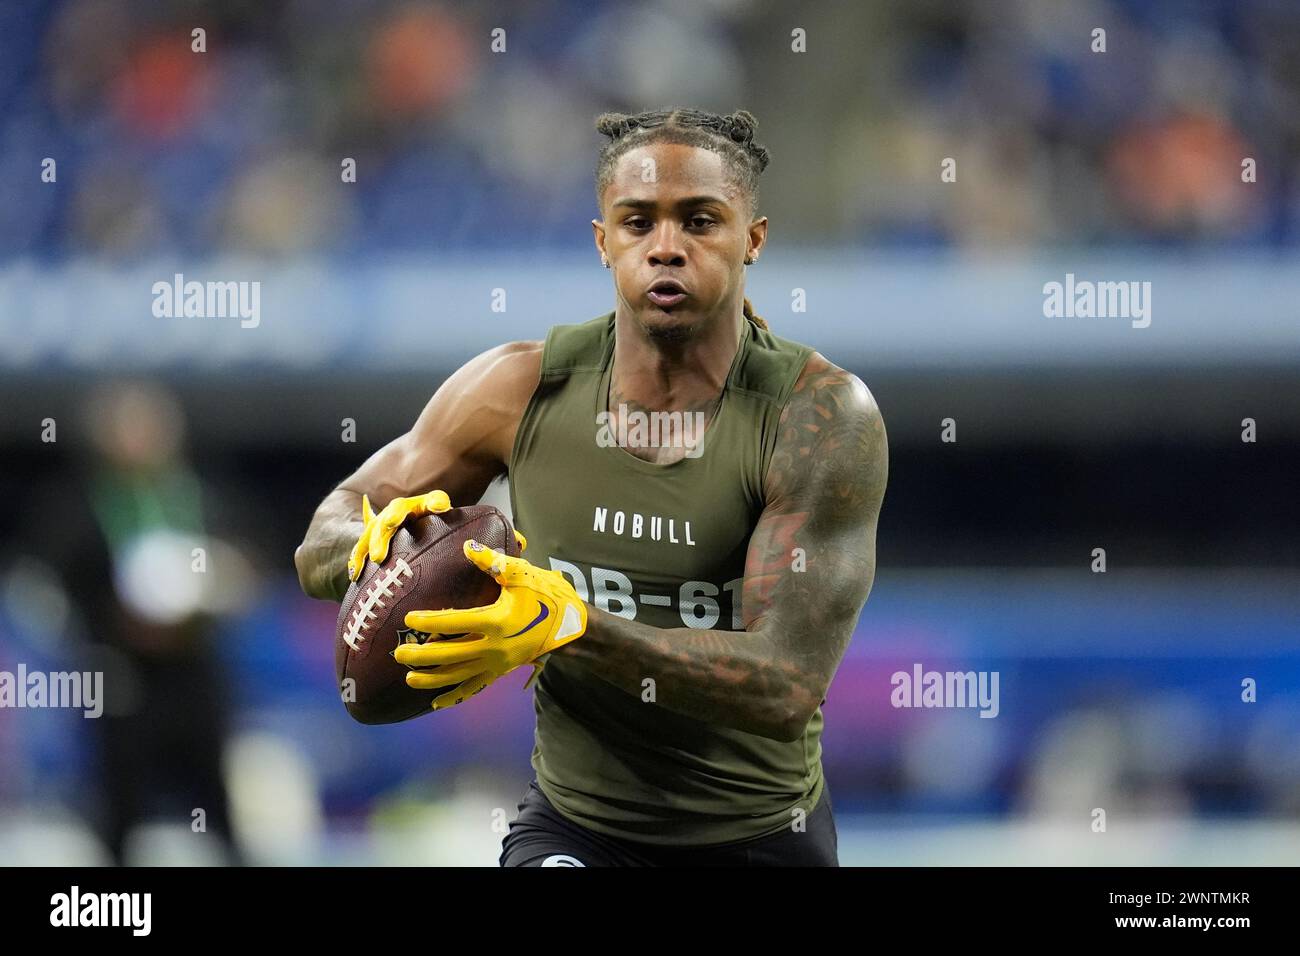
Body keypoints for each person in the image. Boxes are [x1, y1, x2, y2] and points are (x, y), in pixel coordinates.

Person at [295, 107, 888, 866]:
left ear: (754, 239)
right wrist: (369, 544)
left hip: (758, 836)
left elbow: (785, 684)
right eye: (637, 223)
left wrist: (571, 626)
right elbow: (321, 540)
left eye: (700, 221)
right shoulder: (513, 389)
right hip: (576, 829)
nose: (666, 248)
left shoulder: (819, 416)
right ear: (604, 241)